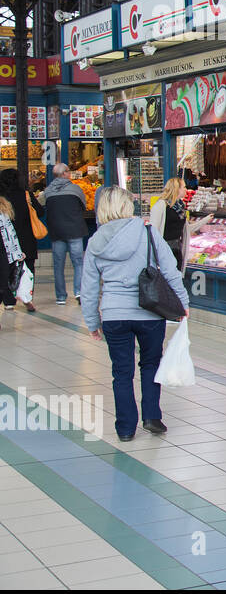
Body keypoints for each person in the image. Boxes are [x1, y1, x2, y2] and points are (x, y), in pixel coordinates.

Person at [82, 185, 189, 442]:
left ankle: (126, 428)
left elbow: (88, 286)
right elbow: (170, 269)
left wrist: (92, 321)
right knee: (151, 363)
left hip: (113, 314)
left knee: (121, 371)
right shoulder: (147, 232)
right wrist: (183, 302)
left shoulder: (96, 241)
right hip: (149, 311)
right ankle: (152, 417)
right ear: (126, 205)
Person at [39, 163, 89, 306]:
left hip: (57, 231)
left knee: (58, 265)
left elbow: (41, 206)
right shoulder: (76, 189)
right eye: (69, 172)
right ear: (65, 174)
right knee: (78, 262)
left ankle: (61, 297)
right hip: (75, 230)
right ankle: (78, 292)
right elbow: (84, 205)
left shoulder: (47, 191)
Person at [0, 168, 37, 312]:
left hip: (6, 247)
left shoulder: (4, 199)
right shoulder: (25, 195)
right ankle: (27, 298)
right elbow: (9, 231)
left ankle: (9, 301)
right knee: (23, 271)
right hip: (23, 239)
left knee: (7, 274)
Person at [0, 196, 31, 323]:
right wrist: (17, 253)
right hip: (4, 254)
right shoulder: (4, 212)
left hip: (4, 253)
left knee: (3, 283)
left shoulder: (3, 213)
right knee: (3, 283)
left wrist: (18, 253)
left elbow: (9, 234)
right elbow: (10, 234)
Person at [150, 178, 189, 270]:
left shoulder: (180, 207)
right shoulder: (161, 205)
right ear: (176, 189)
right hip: (164, 251)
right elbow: (153, 231)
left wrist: (205, 220)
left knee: (176, 280)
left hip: (177, 250)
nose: (186, 189)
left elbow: (186, 228)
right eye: (183, 187)